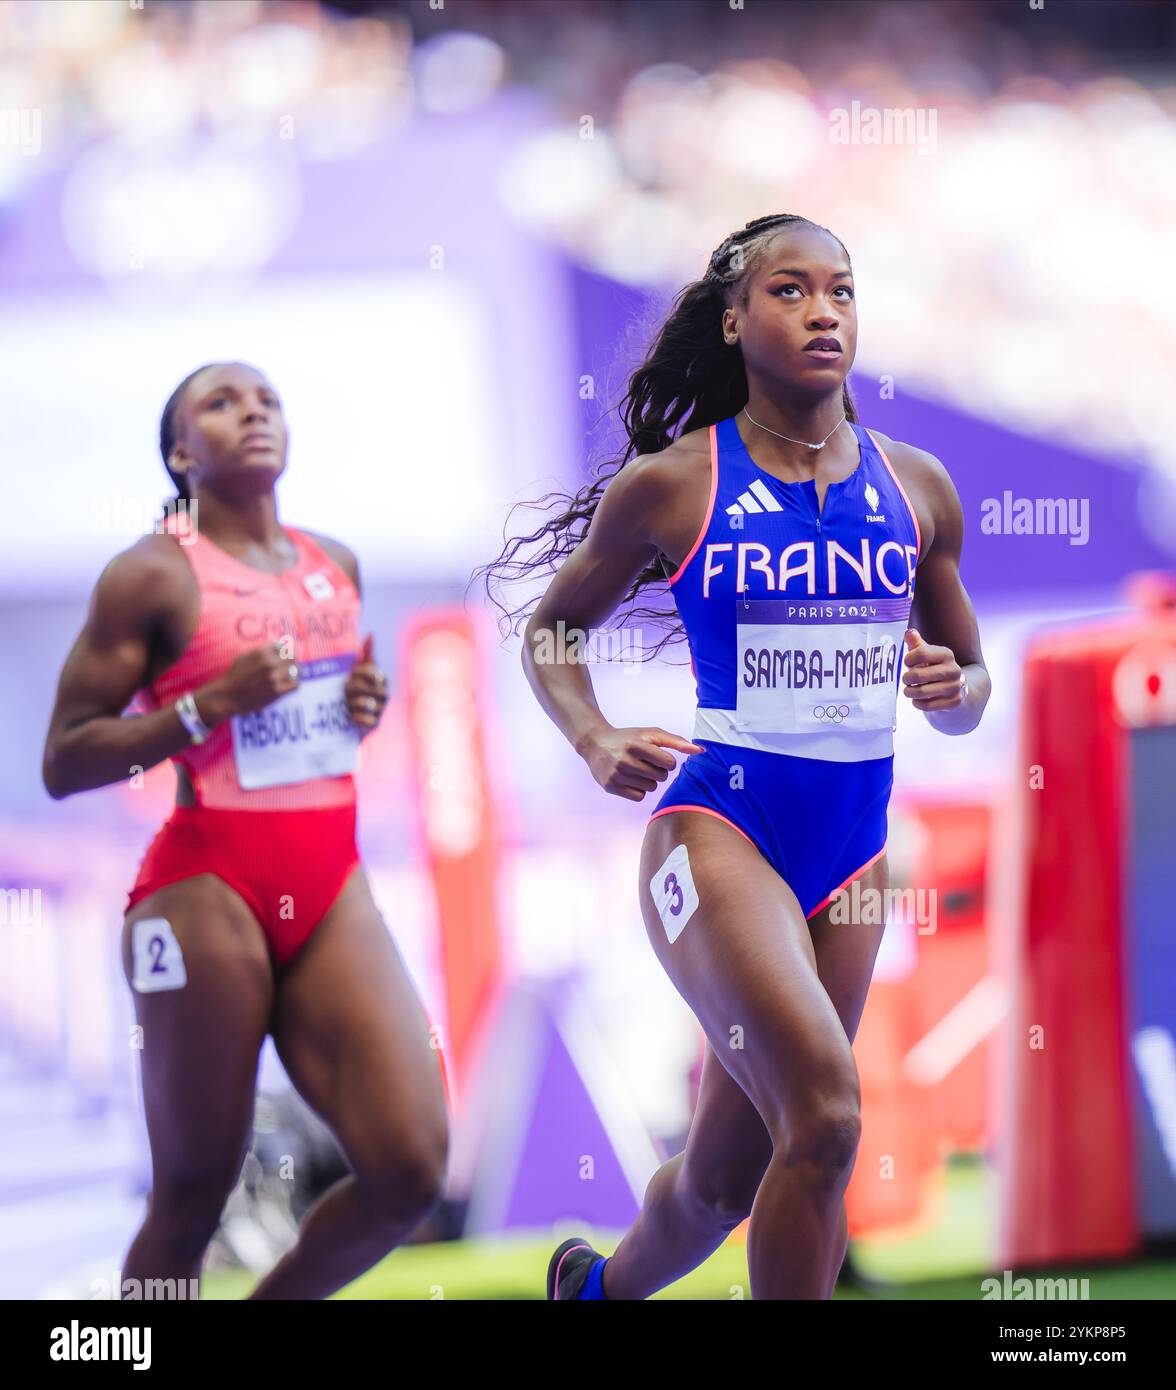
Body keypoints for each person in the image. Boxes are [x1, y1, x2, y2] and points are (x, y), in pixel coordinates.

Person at [488, 214, 989, 1299]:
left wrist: (958, 686)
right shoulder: (674, 485)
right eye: (791, 290)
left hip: (855, 858)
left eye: (841, 291)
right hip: (717, 835)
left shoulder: (919, 490)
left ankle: (595, 1293)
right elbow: (552, 633)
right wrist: (594, 733)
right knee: (827, 1113)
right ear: (733, 319)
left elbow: (968, 688)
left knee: (726, 1178)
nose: (823, 311)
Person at [42, 361, 448, 1300]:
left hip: (329, 878)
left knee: (408, 1171)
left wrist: (358, 704)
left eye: (266, 399)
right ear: (182, 452)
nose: (253, 412)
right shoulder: (151, 572)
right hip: (203, 886)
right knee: (192, 1194)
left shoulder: (331, 563)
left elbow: (304, 726)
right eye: (221, 404)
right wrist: (203, 708)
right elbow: (64, 761)